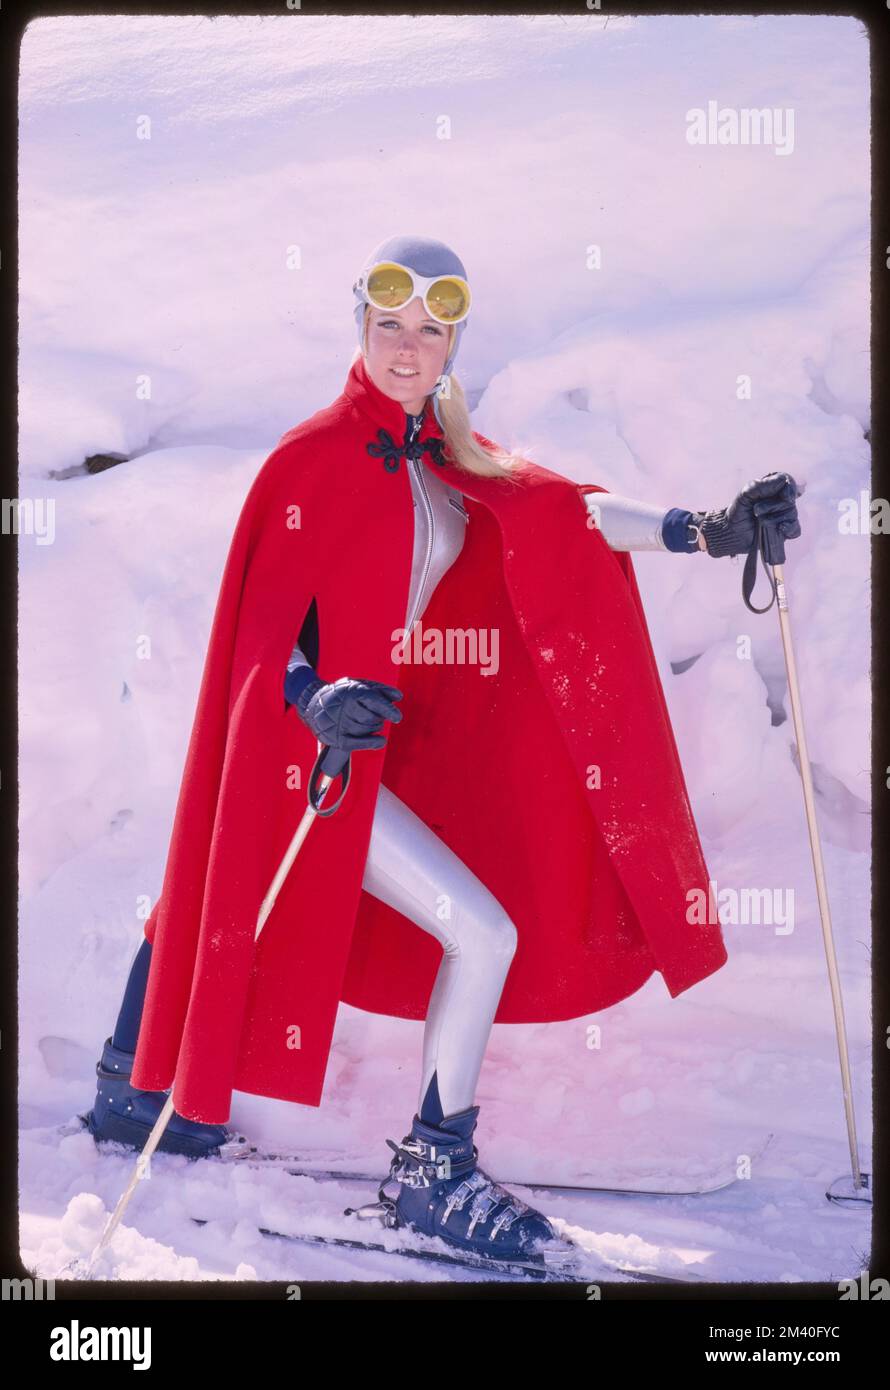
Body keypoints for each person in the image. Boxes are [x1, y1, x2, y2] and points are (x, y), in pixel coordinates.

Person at [86, 234, 802, 1263]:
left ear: (453, 340)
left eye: (429, 330)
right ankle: (426, 1168)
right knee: (478, 931)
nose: (407, 347)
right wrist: (310, 695)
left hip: (366, 753)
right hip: (309, 756)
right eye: (389, 326)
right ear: (360, 328)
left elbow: (575, 518)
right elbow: (258, 630)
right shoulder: (310, 458)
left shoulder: (448, 456)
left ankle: (133, 1080)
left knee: (304, 902)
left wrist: (706, 527)